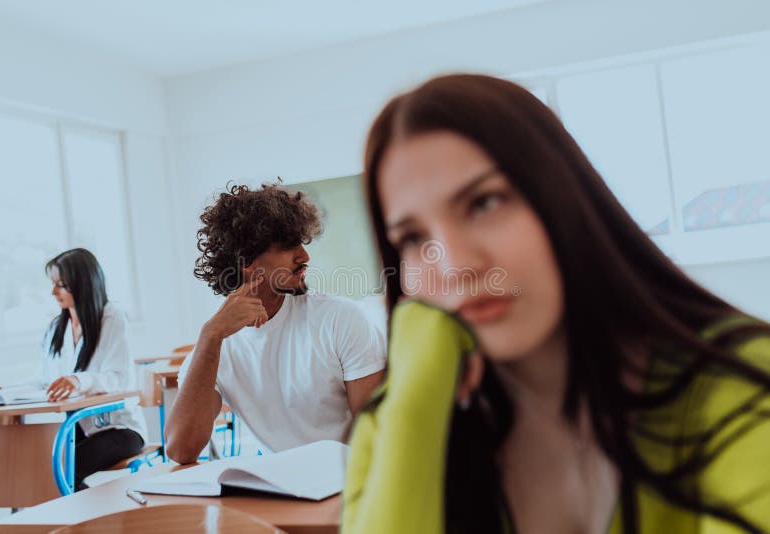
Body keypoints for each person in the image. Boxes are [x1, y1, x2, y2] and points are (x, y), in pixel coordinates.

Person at [342, 74, 770, 534]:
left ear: (564, 197)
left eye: (485, 203)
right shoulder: (394, 421)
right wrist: (415, 402)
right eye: (412, 238)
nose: (455, 265)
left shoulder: (738, 381)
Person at [166, 183, 386, 463]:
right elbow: (180, 449)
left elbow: (378, 434)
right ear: (248, 260)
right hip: (277, 482)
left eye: (301, 243)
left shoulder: (340, 319)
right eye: (288, 246)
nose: (304, 256)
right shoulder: (216, 345)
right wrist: (210, 335)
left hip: (346, 478)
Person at [43, 248, 148, 491]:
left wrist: (79, 381)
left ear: (82, 283)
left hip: (120, 429)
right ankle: (84, 514)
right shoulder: (57, 327)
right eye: (53, 284)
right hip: (80, 427)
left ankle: (93, 515)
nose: (54, 292)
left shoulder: (112, 317)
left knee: (64, 469)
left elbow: (119, 379)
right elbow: (44, 380)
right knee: (42, 463)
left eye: (61, 285)